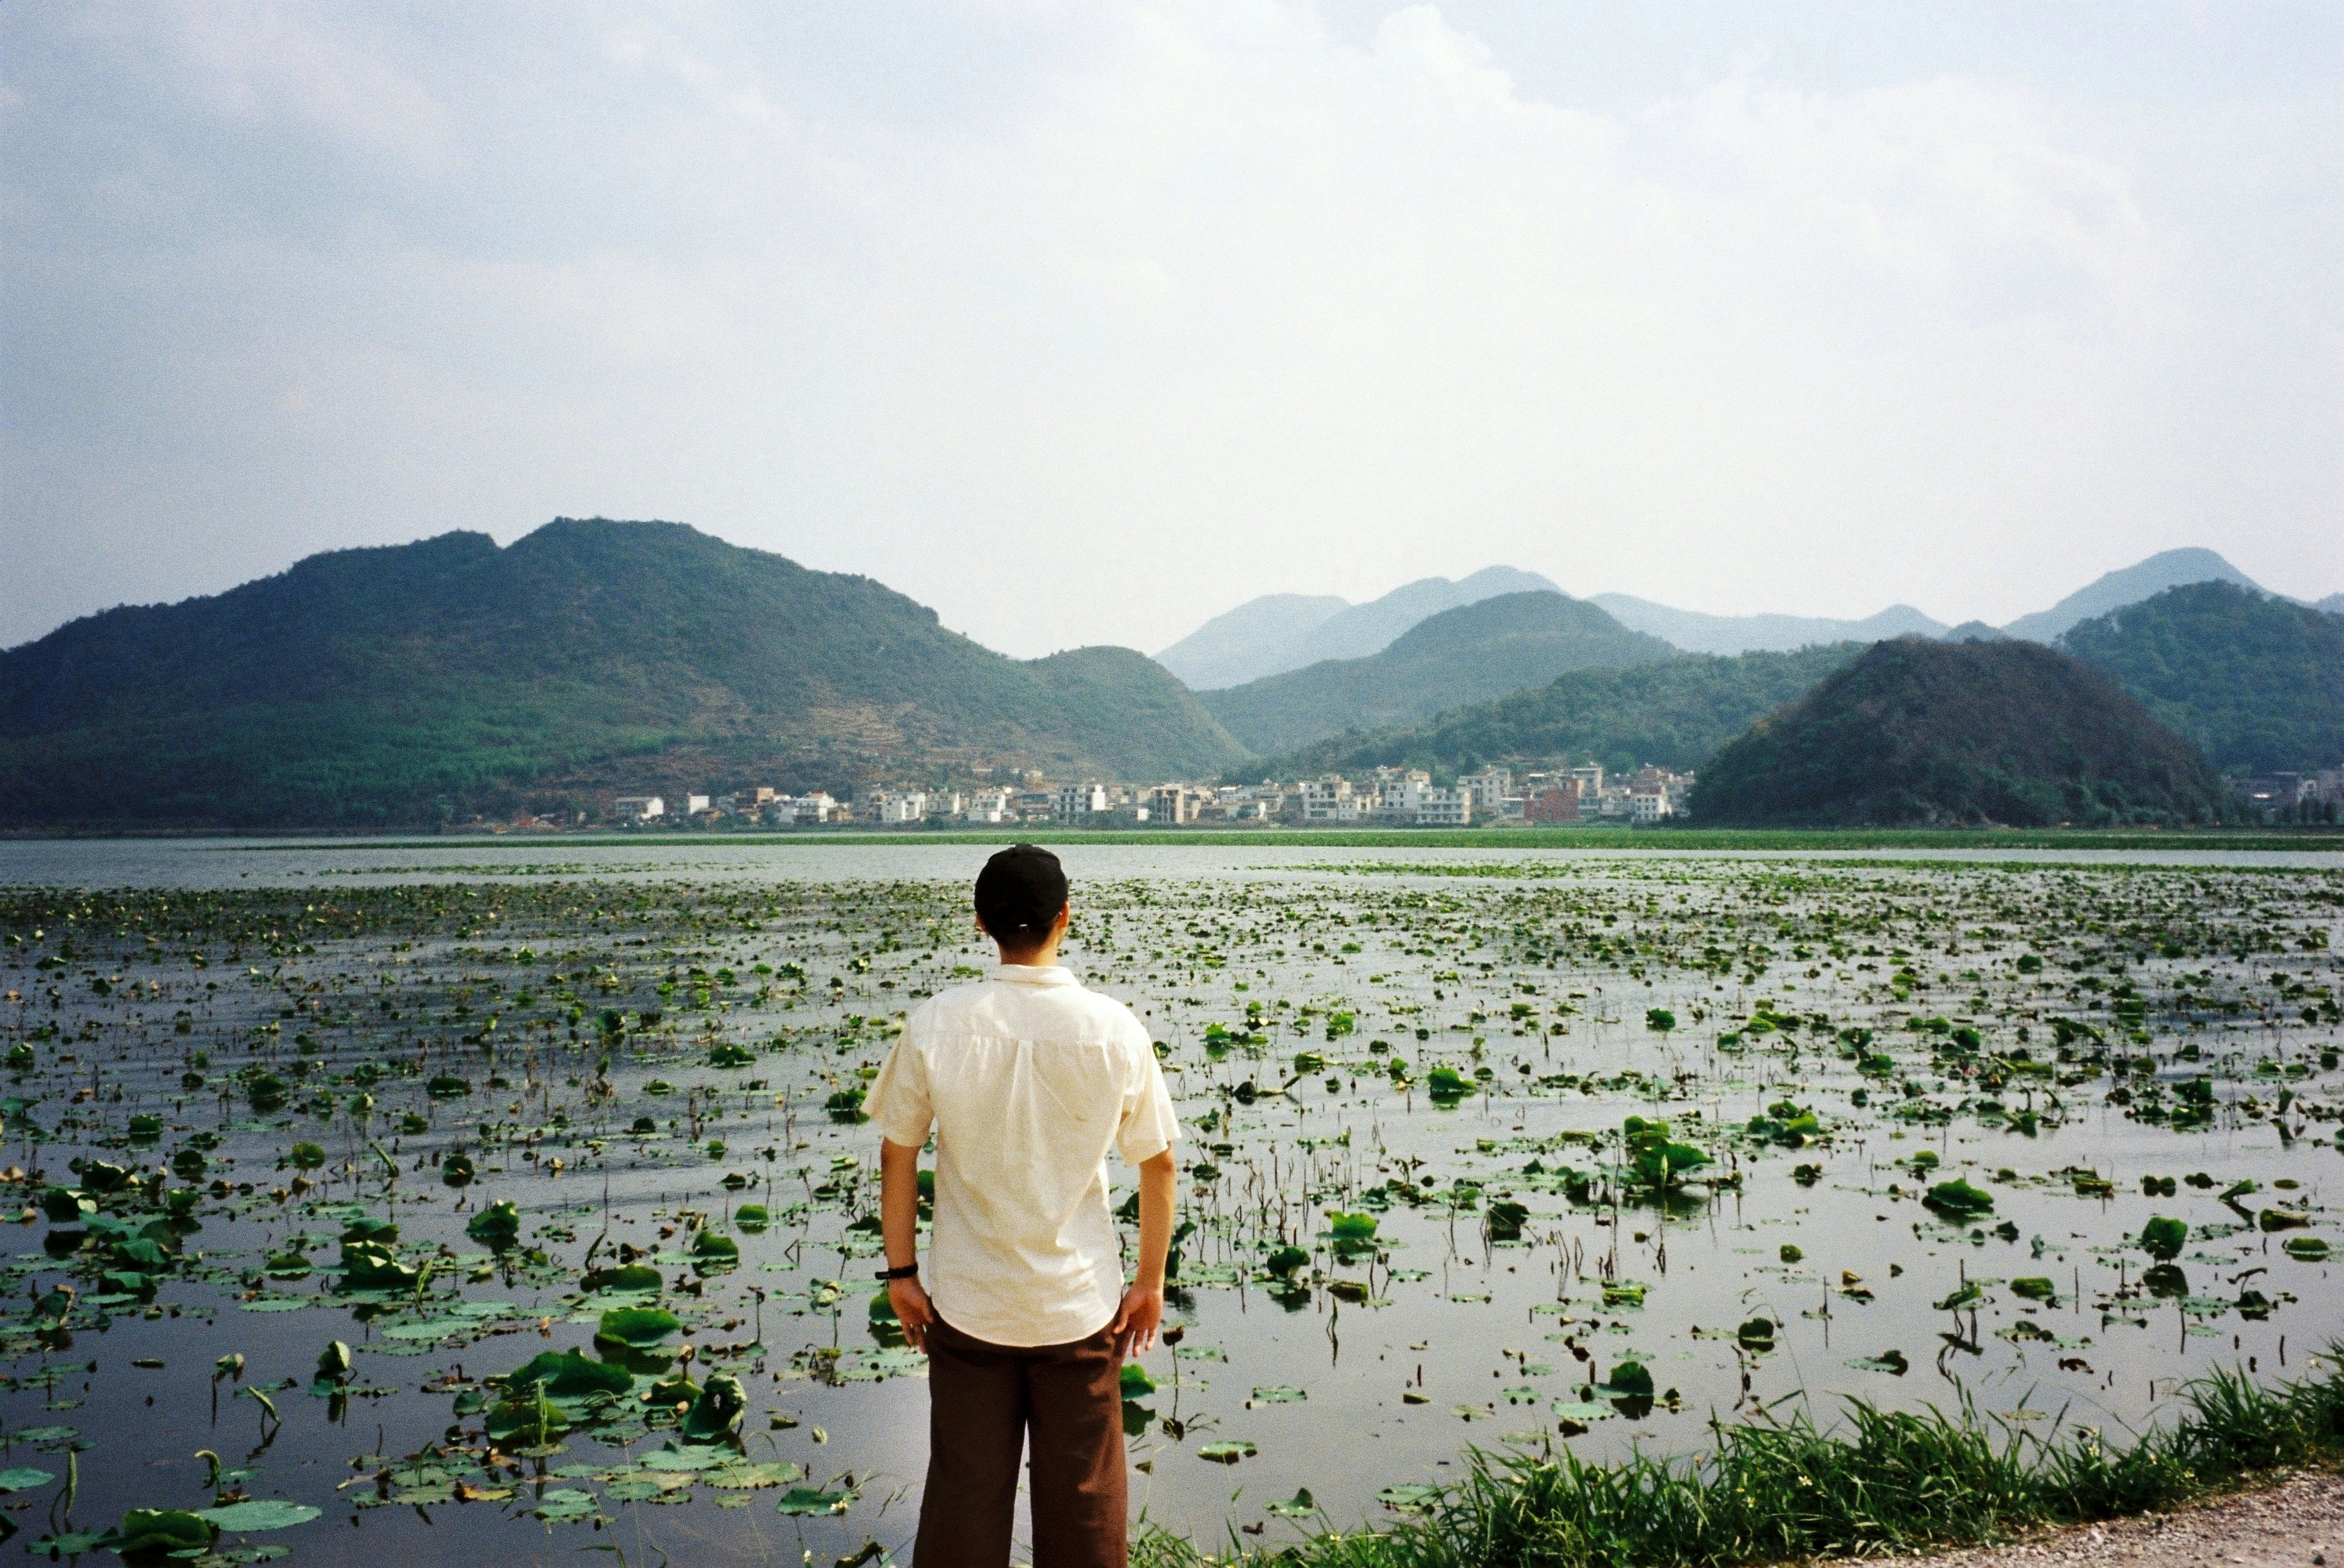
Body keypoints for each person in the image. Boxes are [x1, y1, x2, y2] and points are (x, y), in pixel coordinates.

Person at [866, 843, 1179, 1568]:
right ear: (1064, 918)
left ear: (980, 923)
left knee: (963, 1498)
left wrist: (901, 1274)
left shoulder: (936, 1022)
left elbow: (897, 1154)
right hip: (1078, 1305)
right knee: (1085, 1499)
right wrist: (1150, 1283)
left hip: (971, 1307)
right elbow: (1158, 1163)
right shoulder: (1113, 1028)